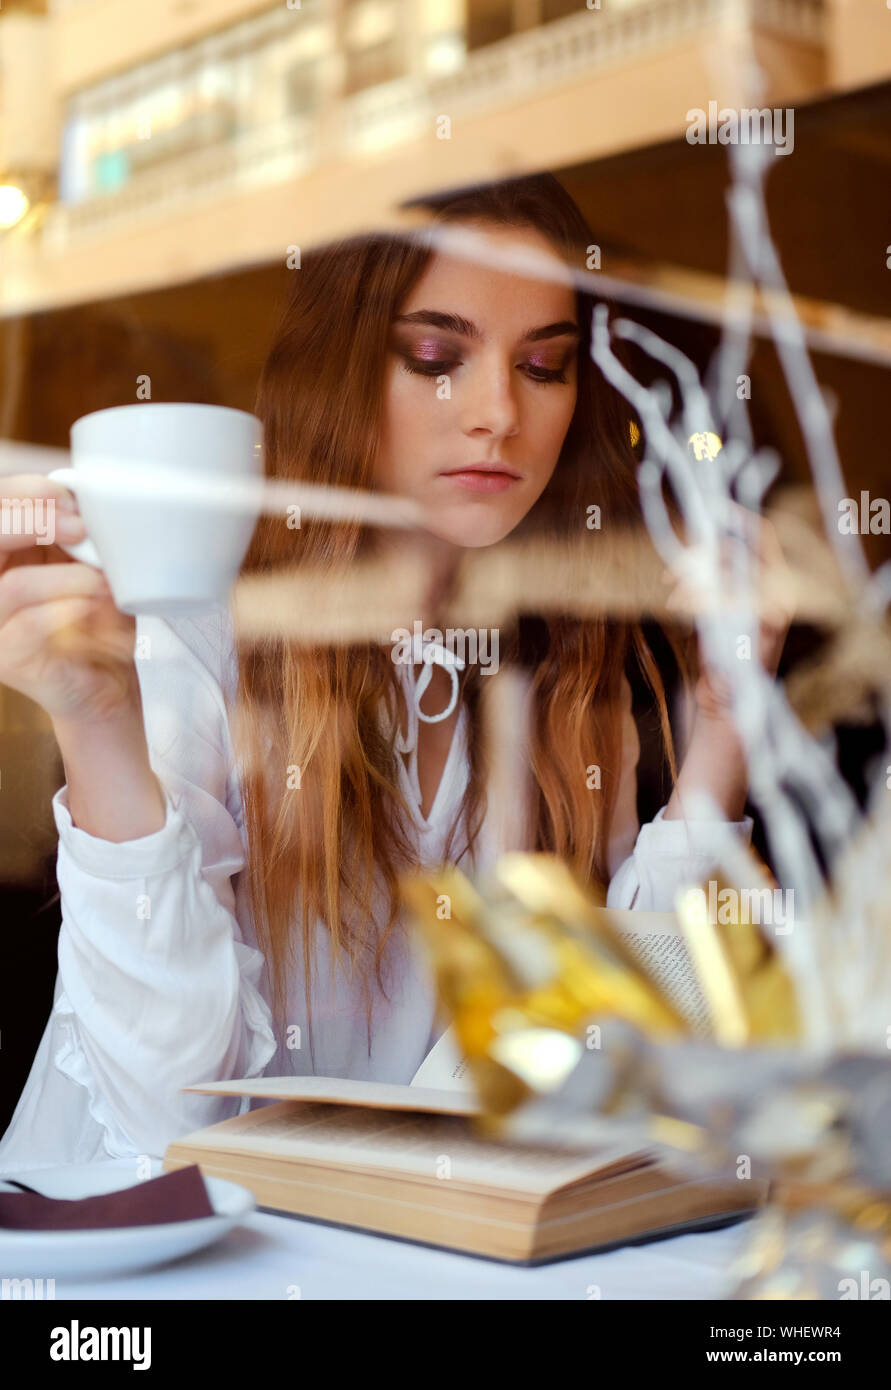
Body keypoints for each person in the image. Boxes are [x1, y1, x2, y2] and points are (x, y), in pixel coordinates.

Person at [0, 174, 785, 1174]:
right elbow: (173, 1121)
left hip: (386, 1252)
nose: (499, 411)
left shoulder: (572, 683)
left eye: (544, 365)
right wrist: (99, 717)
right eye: (434, 355)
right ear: (343, 367)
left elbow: (613, 1054)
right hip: (125, 1258)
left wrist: (722, 730)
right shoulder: (192, 625)